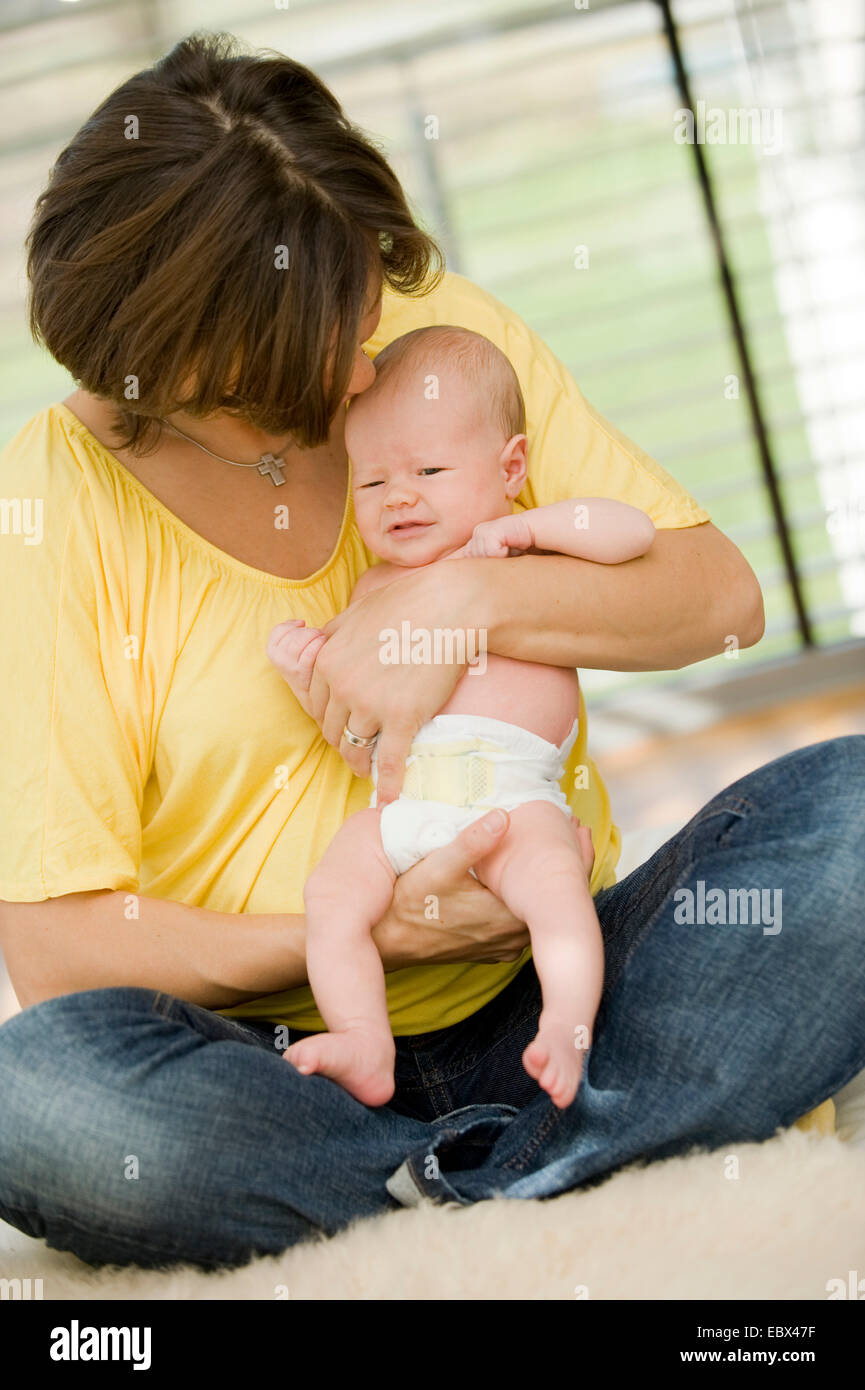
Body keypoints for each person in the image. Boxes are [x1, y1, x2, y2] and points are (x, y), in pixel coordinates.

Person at [0, 33, 861, 1272]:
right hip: (285, 1062)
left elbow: (716, 598)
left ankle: (437, 1204)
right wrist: (365, 934)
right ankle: (571, 1168)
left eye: (362, 304)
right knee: (45, 1104)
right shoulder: (51, 508)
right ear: (183, 370)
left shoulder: (432, 344)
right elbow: (60, 951)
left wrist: (455, 602)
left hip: (568, 975)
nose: (365, 364)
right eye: (315, 353)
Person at [267, 324, 655, 1110]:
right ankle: (365, 1040)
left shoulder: (519, 559)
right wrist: (305, 667)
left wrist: (528, 528)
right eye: (371, 484)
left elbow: (634, 534)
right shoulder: (372, 590)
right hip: (407, 810)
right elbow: (357, 726)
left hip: (514, 801)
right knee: (333, 901)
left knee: (556, 895)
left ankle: (567, 1023)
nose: (399, 496)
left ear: (509, 467)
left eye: (429, 471)